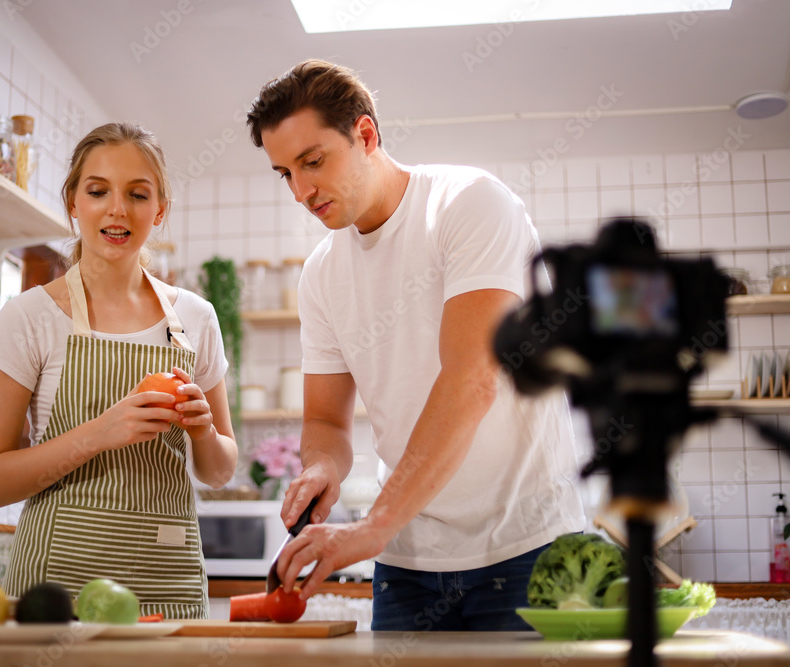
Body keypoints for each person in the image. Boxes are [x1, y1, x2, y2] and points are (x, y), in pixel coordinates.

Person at [246, 60, 585, 631]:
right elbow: (327, 421)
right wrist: (321, 467)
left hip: (528, 547)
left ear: (366, 134)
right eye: (285, 173)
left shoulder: (469, 204)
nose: (301, 191)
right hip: (408, 564)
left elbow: (471, 379)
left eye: (313, 161)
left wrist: (371, 528)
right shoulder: (322, 275)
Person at [0, 122, 238, 619]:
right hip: (58, 590)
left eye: (138, 194)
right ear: (74, 202)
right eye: (98, 191)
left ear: (160, 210)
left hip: (169, 586)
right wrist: (101, 432)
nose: (118, 209)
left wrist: (203, 433)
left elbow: (220, 471)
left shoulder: (196, 319)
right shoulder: (29, 317)